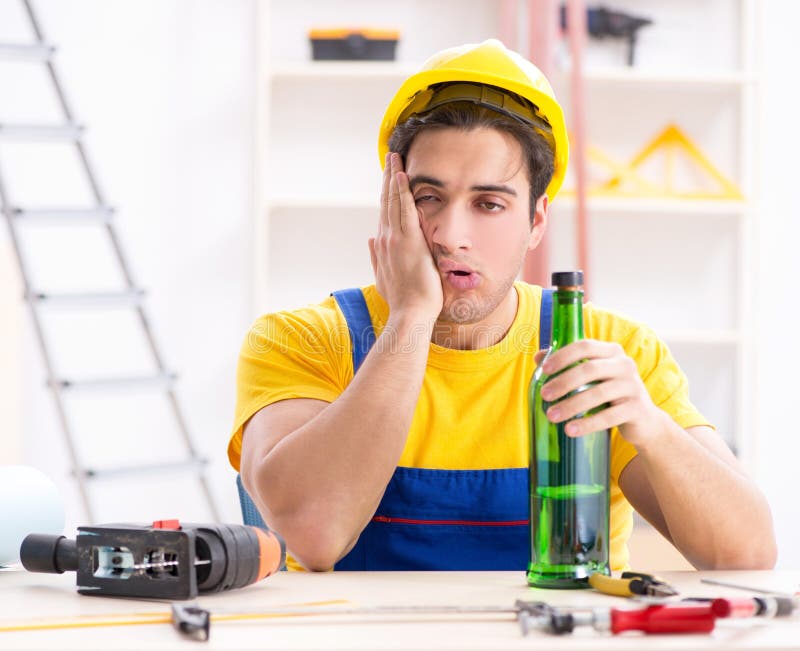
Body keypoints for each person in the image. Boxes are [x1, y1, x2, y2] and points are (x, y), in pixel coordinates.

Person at [228, 40, 776, 572]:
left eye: (488, 203)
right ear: (391, 205)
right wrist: (411, 317)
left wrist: (650, 427)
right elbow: (314, 535)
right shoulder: (300, 340)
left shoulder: (608, 351)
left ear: (537, 221)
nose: (450, 234)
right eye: (427, 198)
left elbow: (746, 556)